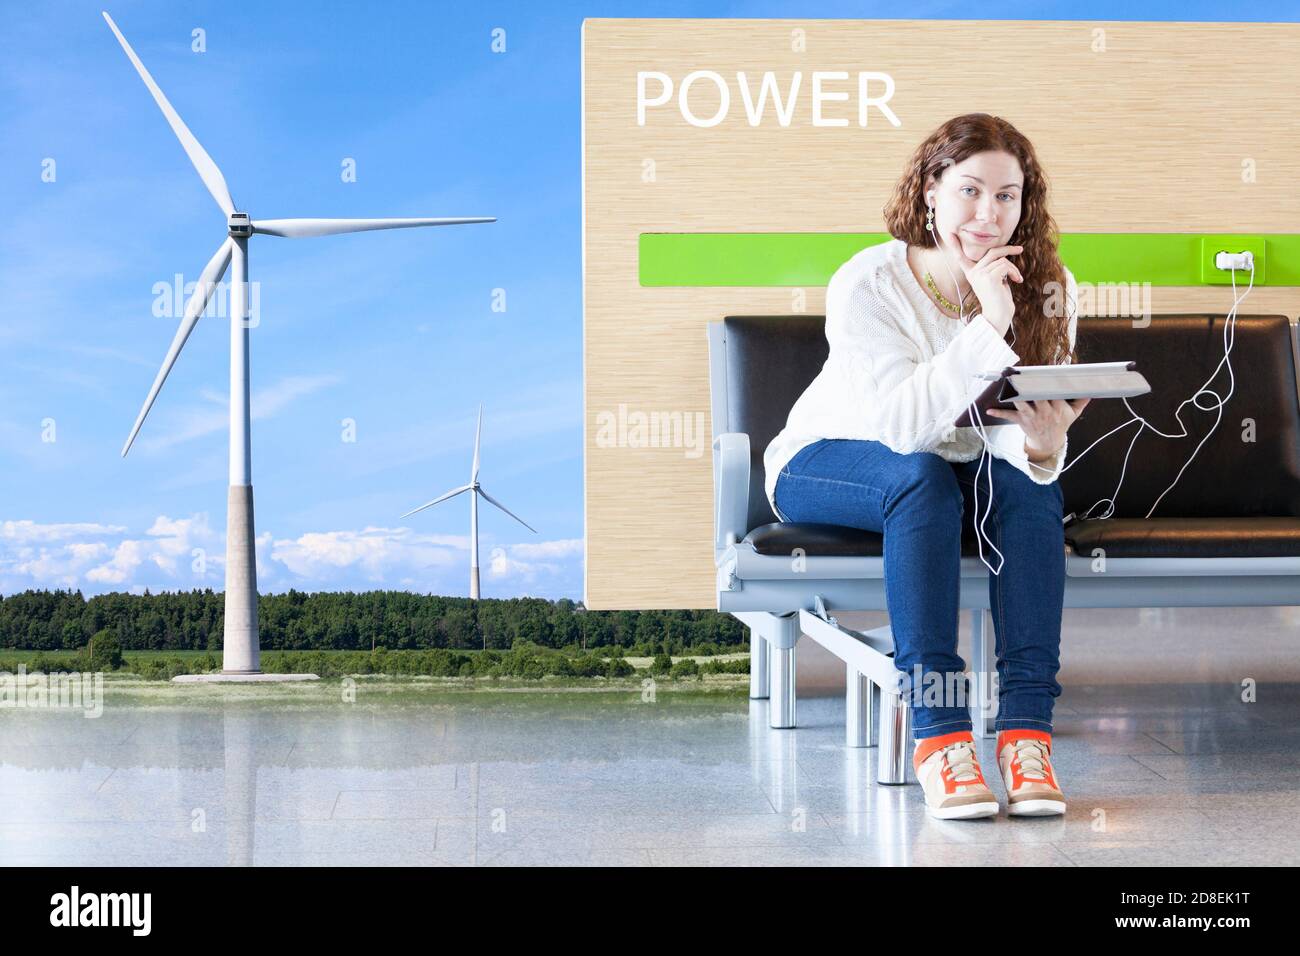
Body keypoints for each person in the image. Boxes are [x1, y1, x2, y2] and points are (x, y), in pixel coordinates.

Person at [764, 113, 1090, 820]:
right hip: (829, 457)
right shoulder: (869, 283)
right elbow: (900, 429)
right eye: (970, 190)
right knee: (920, 481)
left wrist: (1039, 445)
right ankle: (940, 735)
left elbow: (1008, 434)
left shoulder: (1051, 284)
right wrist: (989, 325)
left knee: (1034, 489)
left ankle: (1026, 734)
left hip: (955, 467)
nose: (989, 214)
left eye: (1008, 196)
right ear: (931, 189)